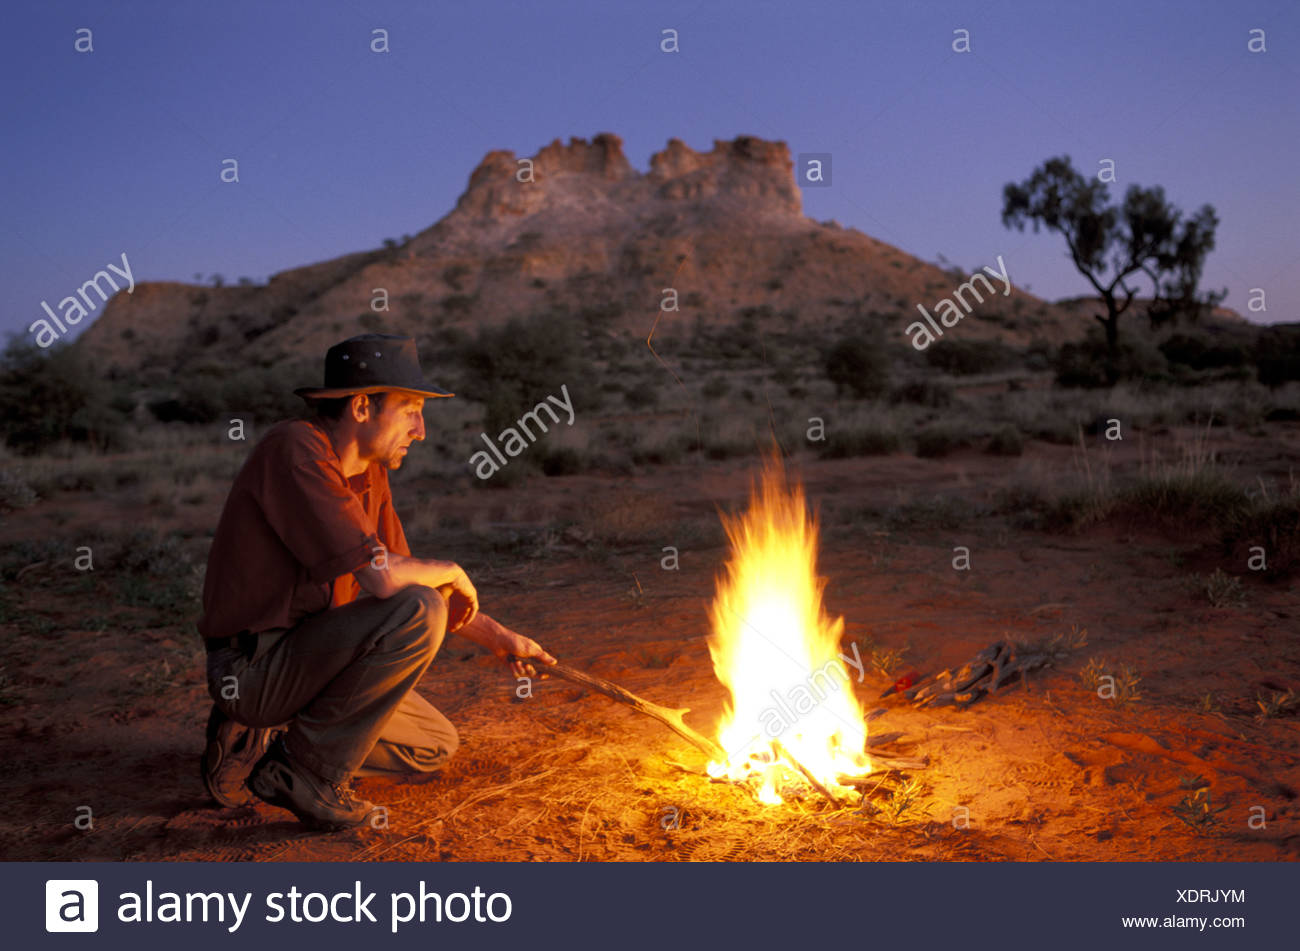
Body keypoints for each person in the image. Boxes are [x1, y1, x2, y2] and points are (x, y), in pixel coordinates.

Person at [196, 333, 555, 830]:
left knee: (431, 746)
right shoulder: (294, 448)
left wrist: (502, 639)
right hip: (254, 665)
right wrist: (452, 570)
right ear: (362, 407)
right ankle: (302, 771)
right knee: (420, 609)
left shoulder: (369, 474)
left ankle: (277, 744)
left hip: (310, 658)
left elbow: (407, 582)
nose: (421, 430)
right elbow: (389, 584)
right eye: (410, 409)